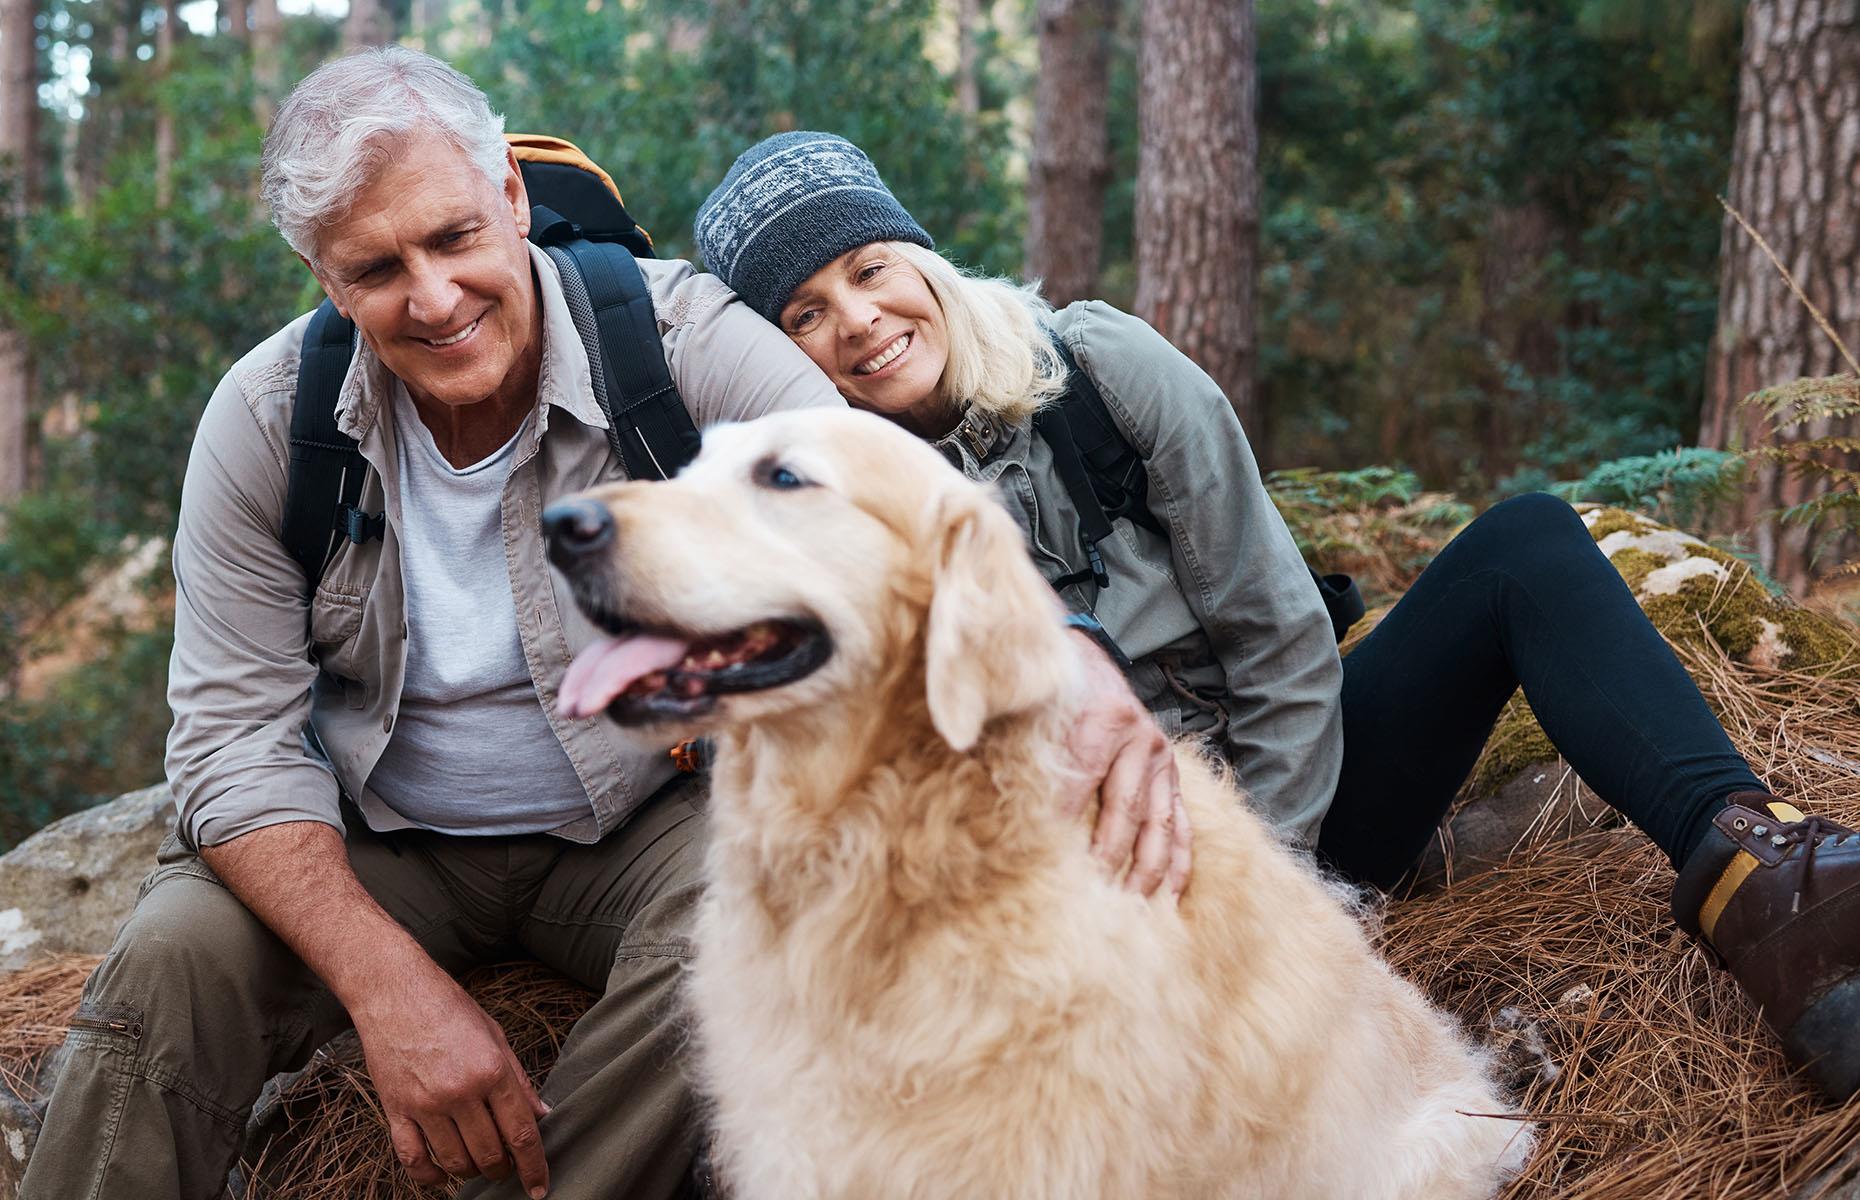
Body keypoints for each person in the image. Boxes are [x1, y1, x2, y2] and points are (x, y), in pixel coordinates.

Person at [20, 51, 1187, 1200]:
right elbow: (231, 745)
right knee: (175, 956)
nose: (432, 297)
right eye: (376, 268)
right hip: (383, 835)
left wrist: (1073, 655)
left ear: (513, 199)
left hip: (649, 815)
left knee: (761, 921)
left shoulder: (679, 343)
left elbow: (900, 506)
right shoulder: (268, 419)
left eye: (456, 237)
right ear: (325, 277)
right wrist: (392, 989)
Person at [693, 130, 1860, 1103]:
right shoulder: (840, 525)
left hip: (1297, 802)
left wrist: (1290, 889)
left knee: (1526, 546)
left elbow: (1278, 631)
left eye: (869, 267)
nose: (857, 318)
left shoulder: (1096, 369)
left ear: (923, 259)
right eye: (804, 312)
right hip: (1106, 893)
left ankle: (1763, 879)